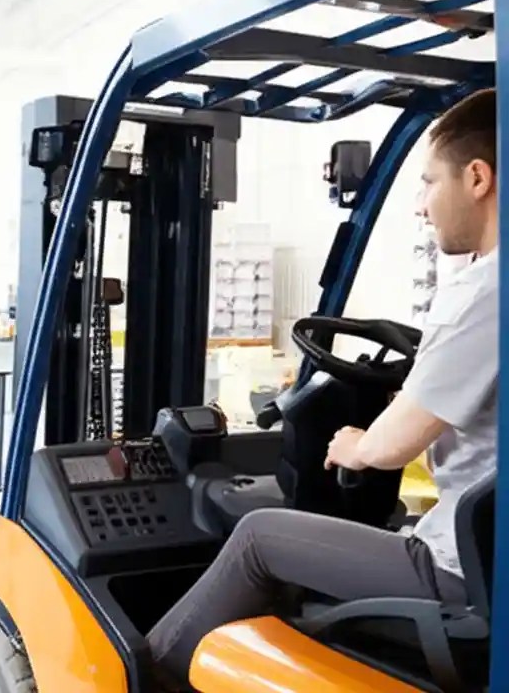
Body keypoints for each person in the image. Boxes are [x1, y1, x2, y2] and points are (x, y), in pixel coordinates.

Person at [146, 87, 500, 690]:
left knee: (258, 535)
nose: (420, 205)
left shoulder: (481, 294)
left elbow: (390, 449)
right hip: (486, 551)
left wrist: (355, 442)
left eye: (428, 183)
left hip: (461, 573)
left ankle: (143, 677)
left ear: (476, 177)